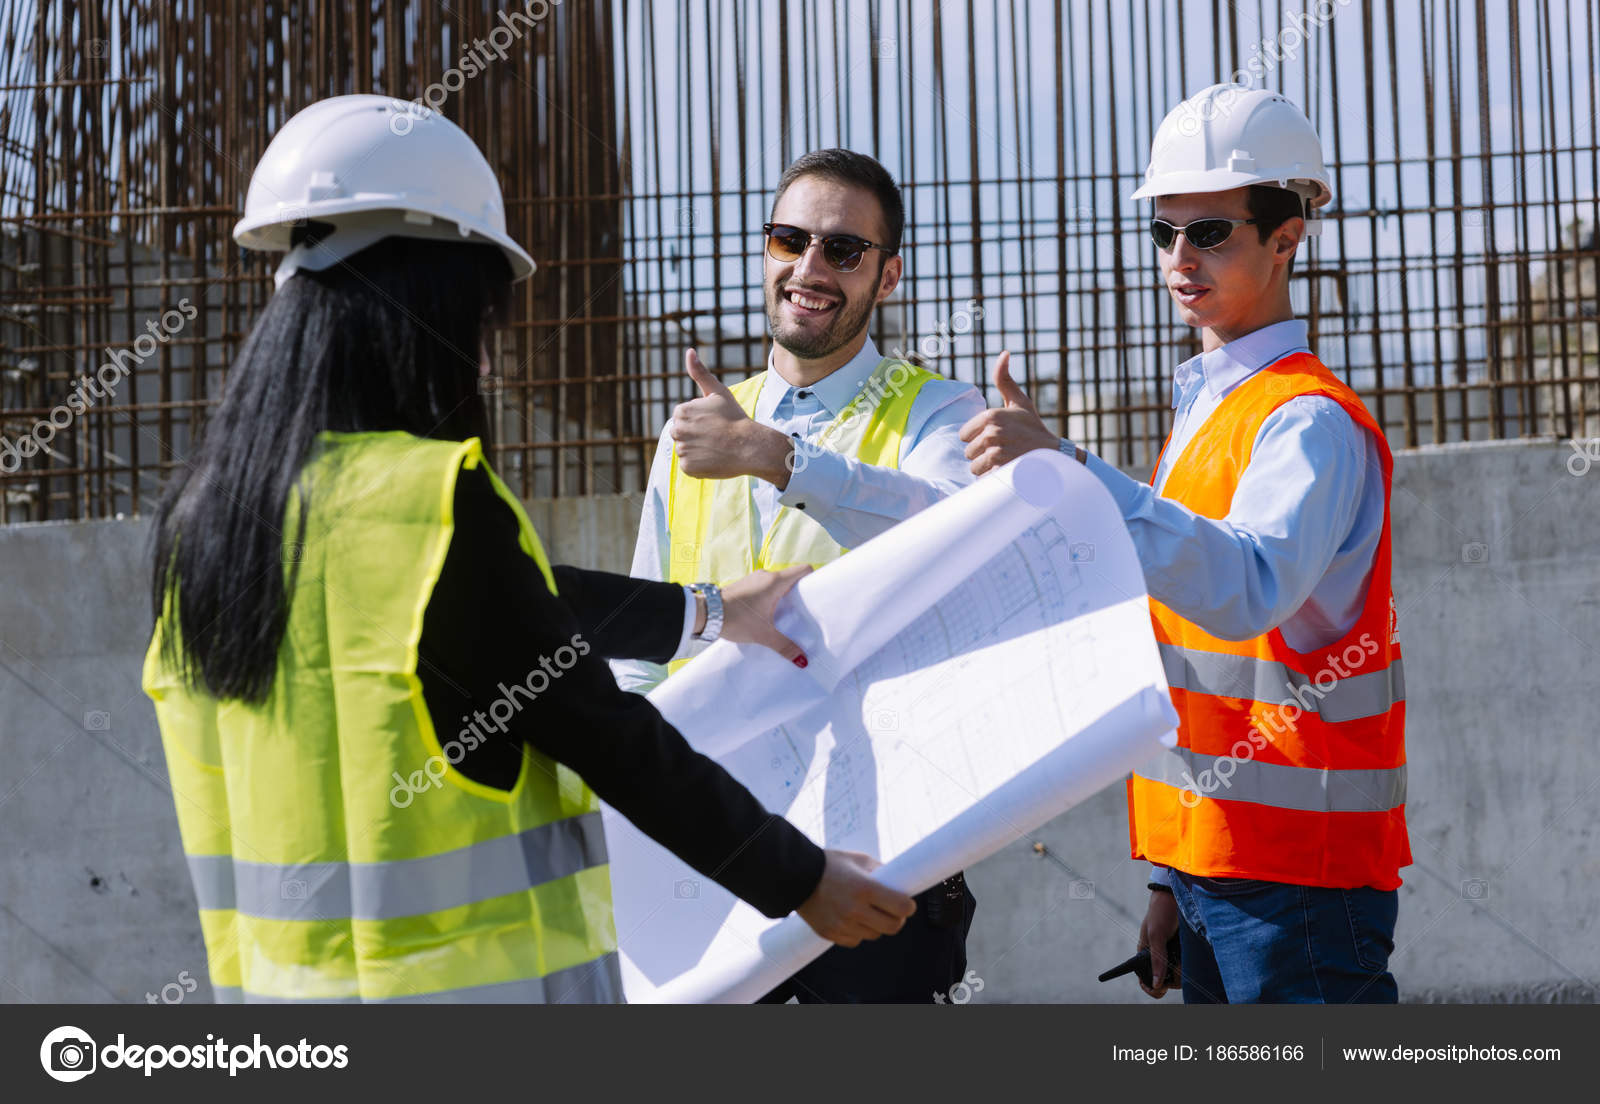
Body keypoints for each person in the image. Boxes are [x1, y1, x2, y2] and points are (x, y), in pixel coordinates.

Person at [142, 95, 915, 1005]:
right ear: (427, 299)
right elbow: (602, 730)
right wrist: (805, 882)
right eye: (475, 311)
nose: (478, 346)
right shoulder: (432, 501)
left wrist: (702, 611)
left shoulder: (202, 522)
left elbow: (497, 612)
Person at [961, 84, 1409, 1004]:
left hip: (1297, 885)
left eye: (1211, 232)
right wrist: (1171, 877)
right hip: (1219, 867)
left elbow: (1246, 588)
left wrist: (1075, 471)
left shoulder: (1307, 423)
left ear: (1288, 237)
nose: (1178, 258)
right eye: (1164, 232)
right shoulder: (1211, 408)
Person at [613, 149, 986, 1004]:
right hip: (712, 862)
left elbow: (950, 533)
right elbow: (641, 640)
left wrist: (776, 458)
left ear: (887, 278)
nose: (810, 268)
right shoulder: (696, 433)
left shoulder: (941, 414)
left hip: (879, 855)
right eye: (791, 239)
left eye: (843, 251)